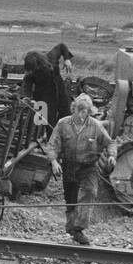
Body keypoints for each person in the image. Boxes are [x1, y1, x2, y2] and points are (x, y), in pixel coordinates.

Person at [47, 93, 115, 246]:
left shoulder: (96, 125)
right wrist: (53, 161)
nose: (81, 114)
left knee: (90, 192)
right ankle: (72, 229)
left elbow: (110, 143)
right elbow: (53, 144)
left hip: (88, 166)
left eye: (85, 111)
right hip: (69, 166)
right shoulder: (63, 124)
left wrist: (112, 156)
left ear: (89, 112)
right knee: (71, 199)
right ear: (74, 109)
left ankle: (79, 228)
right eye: (79, 110)